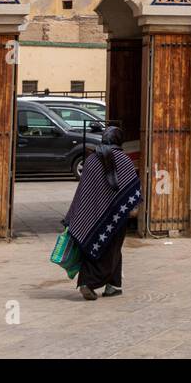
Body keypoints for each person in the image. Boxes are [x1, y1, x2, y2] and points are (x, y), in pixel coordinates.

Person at [62, 126, 142, 300]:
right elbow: (132, 188)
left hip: (90, 216)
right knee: (110, 250)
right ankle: (87, 282)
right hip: (115, 216)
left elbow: (83, 192)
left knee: (105, 249)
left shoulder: (91, 160)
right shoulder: (124, 160)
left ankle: (113, 285)